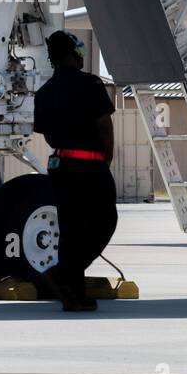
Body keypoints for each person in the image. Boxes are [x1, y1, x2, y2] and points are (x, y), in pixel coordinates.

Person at [32, 31, 119, 312]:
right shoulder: (90, 84)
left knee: (71, 229)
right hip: (89, 166)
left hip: (60, 166)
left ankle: (73, 295)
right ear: (73, 53)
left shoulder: (44, 92)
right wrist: (106, 157)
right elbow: (104, 125)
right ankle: (63, 273)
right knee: (104, 221)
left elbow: (46, 134)